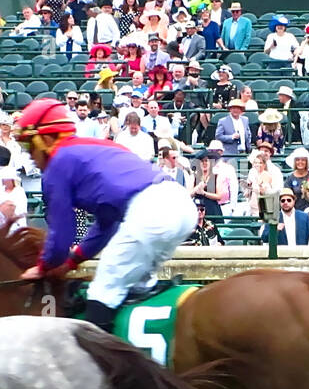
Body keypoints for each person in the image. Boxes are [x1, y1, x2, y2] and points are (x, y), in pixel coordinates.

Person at [14, 100, 198, 331]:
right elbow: (106, 225)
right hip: (179, 206)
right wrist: (73, 261)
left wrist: (42, 267)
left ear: (47, 140)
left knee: (103, 290)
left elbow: (62, 235)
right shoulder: (99, 148)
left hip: (150, 212)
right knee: (134, 285)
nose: (29, 155)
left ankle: (102, 362)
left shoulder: (58, 163)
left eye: (30, 145)